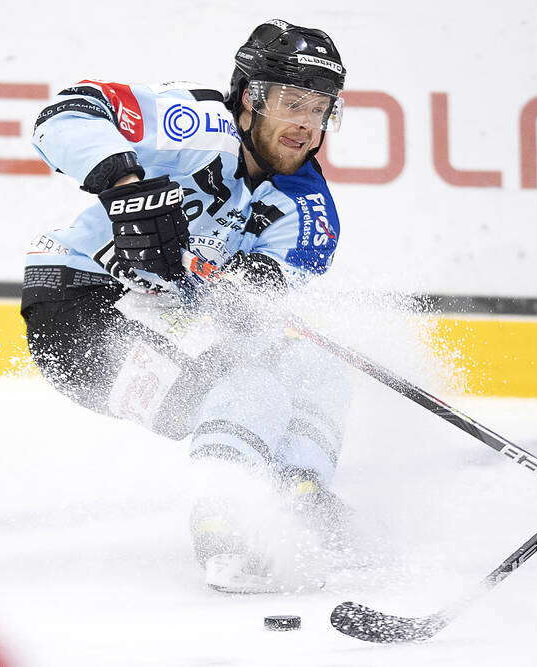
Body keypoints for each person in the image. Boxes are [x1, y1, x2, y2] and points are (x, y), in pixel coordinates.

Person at [23, 20, 353, 593]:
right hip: (75, 312)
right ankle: (225, 522)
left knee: (316, 368)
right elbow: (64, 115)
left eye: (320, 109)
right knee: (251, 389)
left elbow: (246, 313)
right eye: (292, 103)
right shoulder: (197, 123)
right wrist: (125, 184)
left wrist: (240, 292)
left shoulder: (309, 213)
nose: (306, 124)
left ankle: (302, 498)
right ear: (249, 99)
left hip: (163, 320)